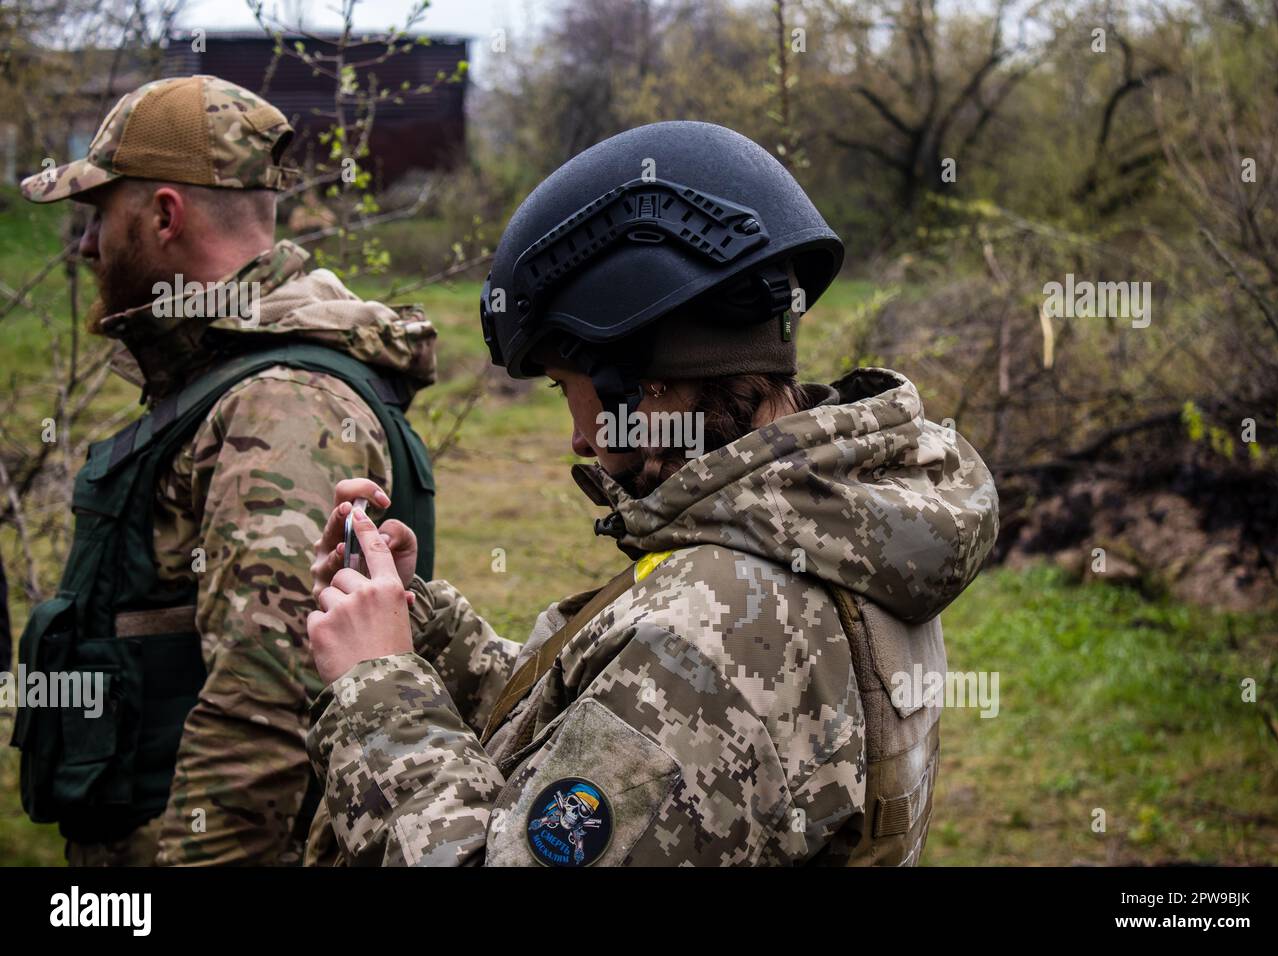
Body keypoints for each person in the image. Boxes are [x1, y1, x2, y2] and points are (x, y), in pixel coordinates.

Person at [303, 121, 999, 866]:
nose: (576, 436)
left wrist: (381, 692)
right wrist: (422, 629)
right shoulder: (835, 528)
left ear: (646, 382)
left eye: (566, 387)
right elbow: (599, 740)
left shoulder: (716, 629)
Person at [11, 74, 437, 866]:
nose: (87, 245)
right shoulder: (230, 377)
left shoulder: (279, 405)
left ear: (165, 215)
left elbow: (267, 704)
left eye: (100, 214)